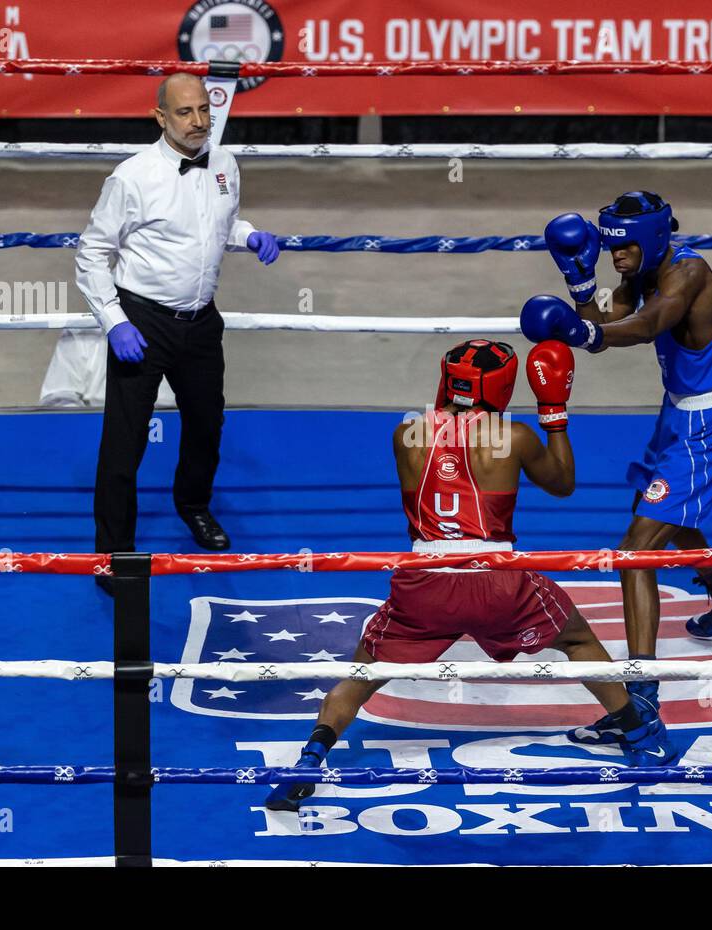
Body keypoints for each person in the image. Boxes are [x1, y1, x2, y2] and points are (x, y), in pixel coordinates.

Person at [265, 339, 674, 812]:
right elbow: (563, 484)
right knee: (578, 641)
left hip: (425, 580)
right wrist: (554, 411)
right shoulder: (515, 436)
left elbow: (447, 447)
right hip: (496, 579)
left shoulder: (405, 434)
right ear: (502, 387)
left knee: (360, 675)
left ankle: (309, 761)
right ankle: (643, 736)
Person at [521, 190, 712, 747]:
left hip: (709, 422)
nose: (615, 259)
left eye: (623, 248)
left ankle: (641, 701)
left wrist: (587, 330)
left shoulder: (688, 276)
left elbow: (649, 324)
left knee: (635, 551)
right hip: (678, 412)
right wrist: (580, 287)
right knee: (668, 516)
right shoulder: (642, 269)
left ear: (652, 238)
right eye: (608, 250)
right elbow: (601, 332)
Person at [75, 73, 281, 573]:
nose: (197, 121)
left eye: (203, 111)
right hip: (143, 321)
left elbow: (219, 222)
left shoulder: (225, 163)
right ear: (160, 117)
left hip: (202, 322)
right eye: (184, 113)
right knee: (124, 441)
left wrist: (249, 236)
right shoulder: (132, 177)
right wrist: (113, 320)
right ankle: (113, 552)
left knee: (207, 424)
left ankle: (194, 506)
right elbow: (91, 252)